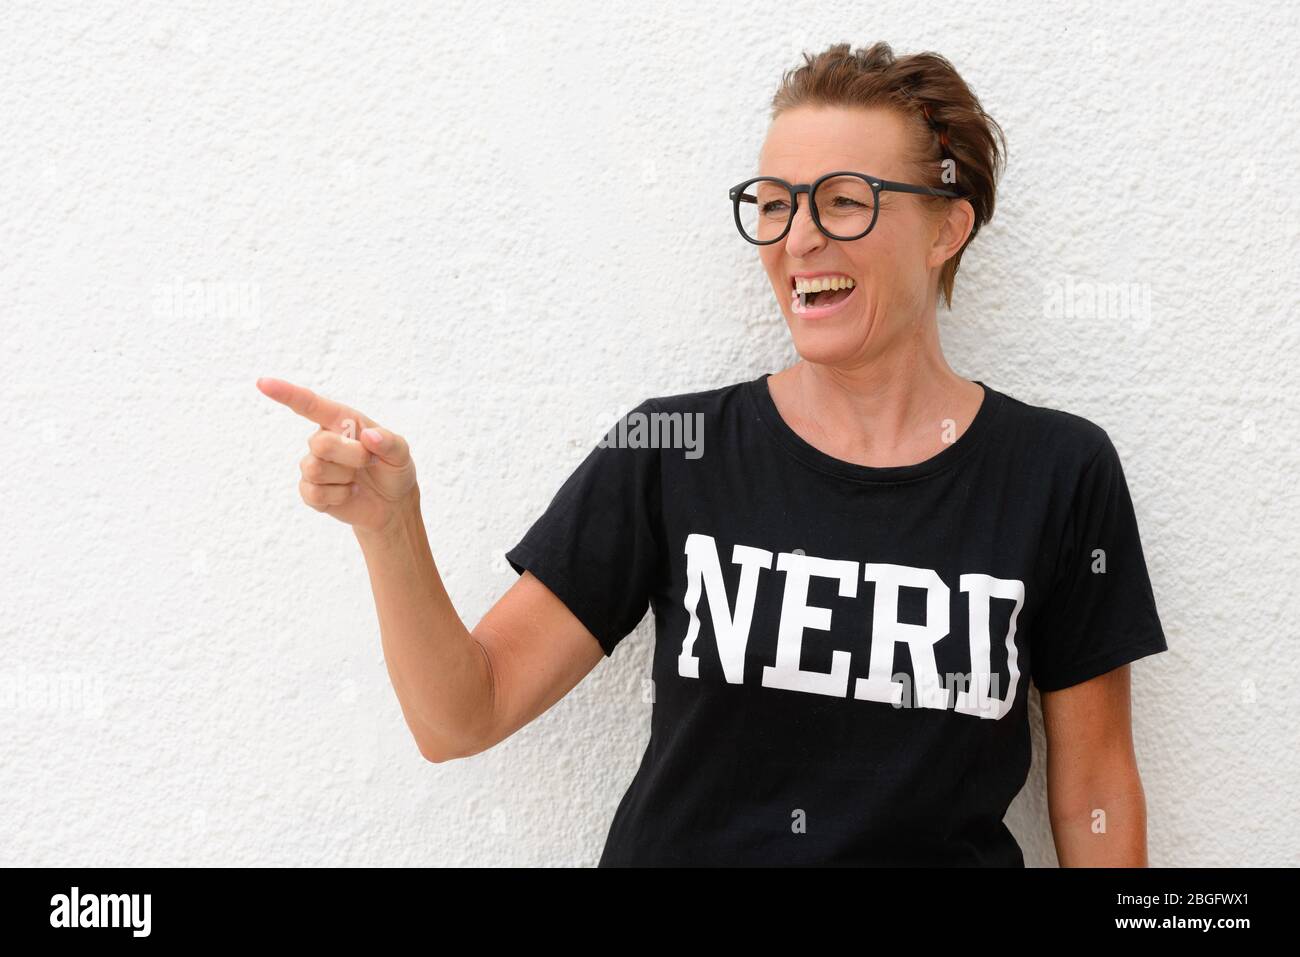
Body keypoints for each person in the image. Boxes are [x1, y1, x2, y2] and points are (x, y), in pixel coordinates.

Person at [257, 41, 1168, 867]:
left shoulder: (1058, 473)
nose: (799, 238)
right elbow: (463, 713)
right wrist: (389, 526)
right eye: (773, 205)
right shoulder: (674, 450)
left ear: (946, 228)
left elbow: (1093, 792)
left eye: (845, 201)